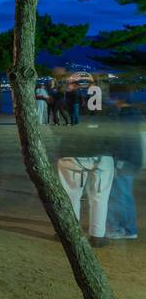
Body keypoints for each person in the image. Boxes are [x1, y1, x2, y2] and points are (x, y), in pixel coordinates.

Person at [54, 115, 116, 246]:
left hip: (71, 152)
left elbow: (56, 128)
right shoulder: (109, 104)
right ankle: (97, 236)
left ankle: (70, 233)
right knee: (99, 198)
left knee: (71, 196)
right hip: (102, 154)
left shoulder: (68, 98)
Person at [106, 93, 144, 241]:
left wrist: (118, 163)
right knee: (124, 195)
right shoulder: (133, 114)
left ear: (118, 99)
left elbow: (122, 141)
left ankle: (124, 229)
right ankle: (127, 228)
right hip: (133, 159)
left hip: (125, 160)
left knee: (120, 196)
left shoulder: (123, 117)